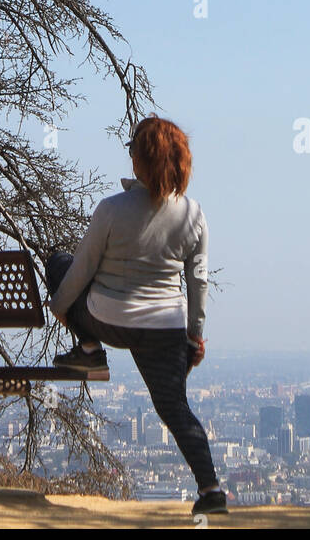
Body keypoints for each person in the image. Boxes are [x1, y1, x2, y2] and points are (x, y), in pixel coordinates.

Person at [44, 113, 228, 516]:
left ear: (139, 160)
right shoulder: (194, 215)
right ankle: (211, 489)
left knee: (58, 262)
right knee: (175, 409)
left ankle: (89, 349)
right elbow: (198, 285)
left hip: (106, 319)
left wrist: (59, 310)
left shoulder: (110, 209)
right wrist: (194, 338)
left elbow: (80, 272)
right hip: (165, 328)